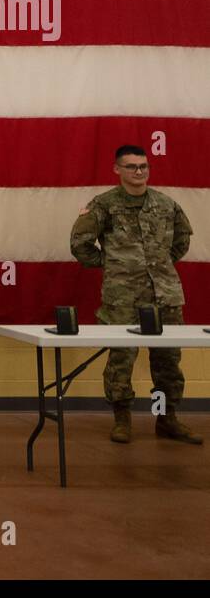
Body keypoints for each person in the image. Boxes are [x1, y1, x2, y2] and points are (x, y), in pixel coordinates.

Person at [70, 145, 201, 445]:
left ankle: (166, 419)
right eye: (131, 167)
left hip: (165, 295)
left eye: (144, 166)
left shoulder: (166, 204)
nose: (139, 172)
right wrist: (112, 263)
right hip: (122, 297)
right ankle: (122, 420)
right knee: (121, 359)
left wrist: (157, 264)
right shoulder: (103, 205)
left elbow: (181, 241)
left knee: (167, 361)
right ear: (117, 170)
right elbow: (80, 243)